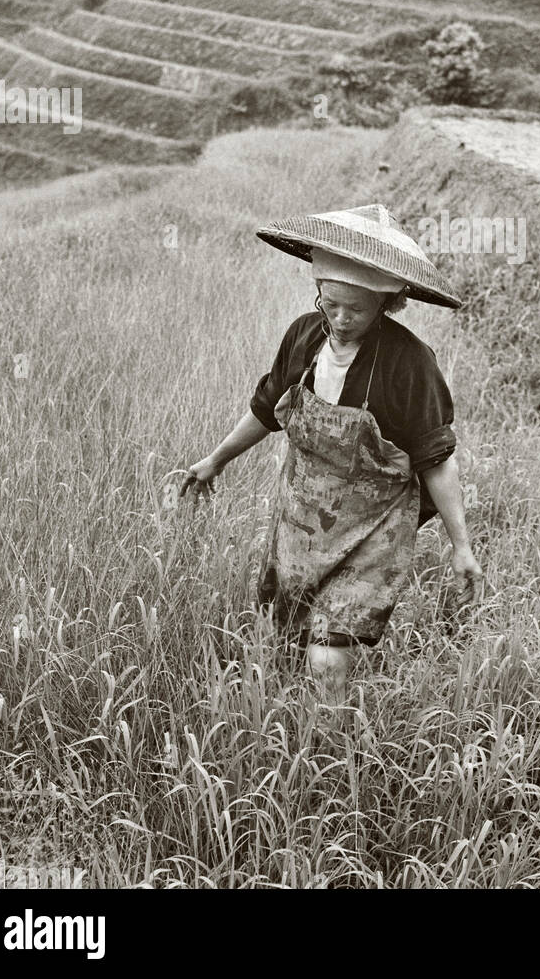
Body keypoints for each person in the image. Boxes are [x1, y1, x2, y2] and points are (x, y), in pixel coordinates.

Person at [180, 202, 483, 706]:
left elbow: (435, 457)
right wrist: (215, 461)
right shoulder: (304, 335)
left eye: (357, 309)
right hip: (303, 518)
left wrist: (461, 546)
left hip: (374, 528)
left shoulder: (410, 363)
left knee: (327, 657)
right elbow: (267, 408)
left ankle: (332, 757)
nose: (340, 319)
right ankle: (285, 736)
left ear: (388, 304)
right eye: (330, 303)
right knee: (283, 635)